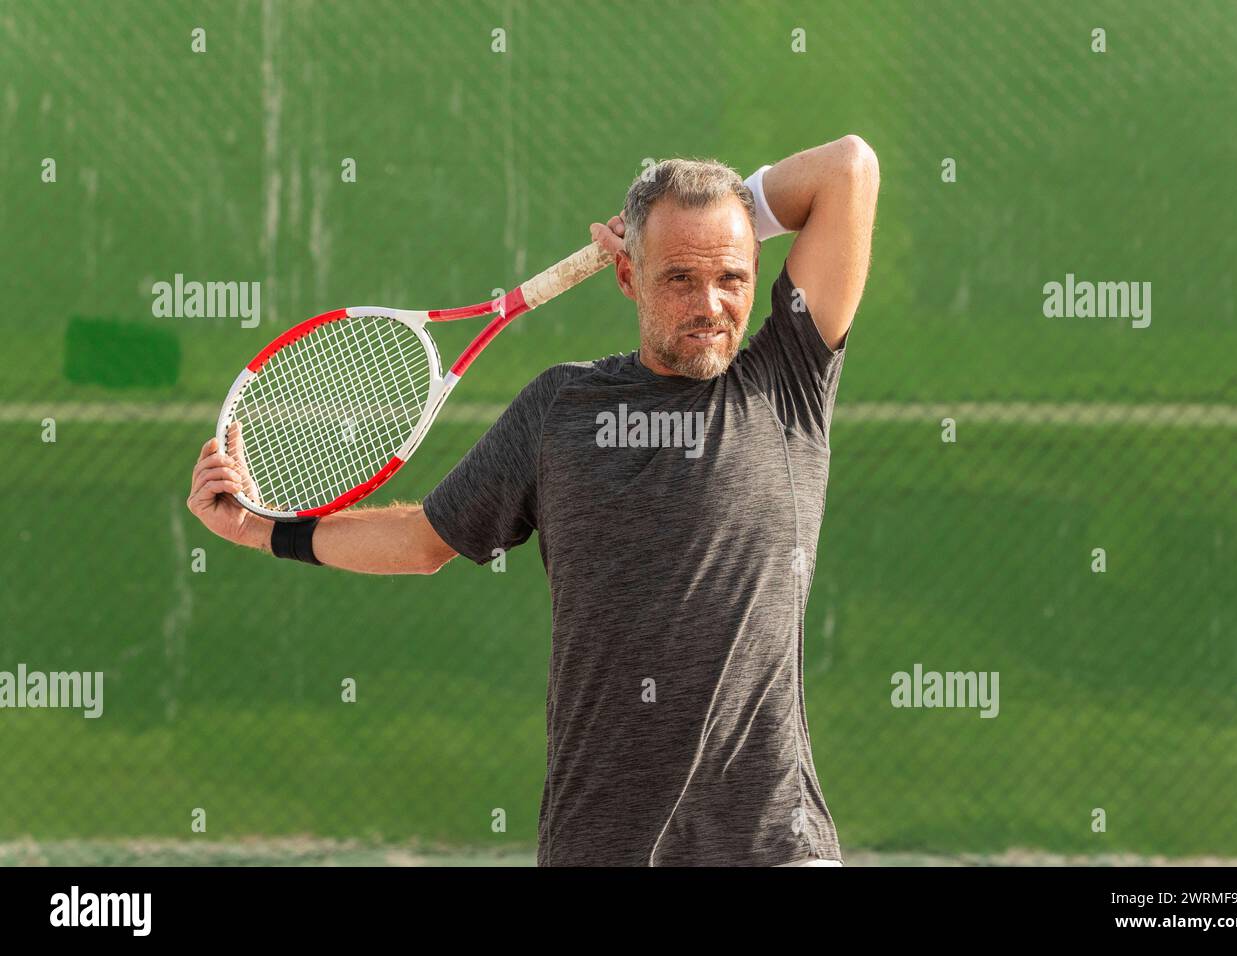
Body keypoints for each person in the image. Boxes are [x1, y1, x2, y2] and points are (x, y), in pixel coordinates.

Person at [189, 136, 880, 866]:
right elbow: (425, 541)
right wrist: (261, 531)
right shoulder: (561, 409)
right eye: (677, 276)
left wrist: (725, 214)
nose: (711, 305)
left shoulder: (786, 383)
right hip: (602, 844)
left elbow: (849, 168)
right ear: (626, 275)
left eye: (732, 278)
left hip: (774, 846)